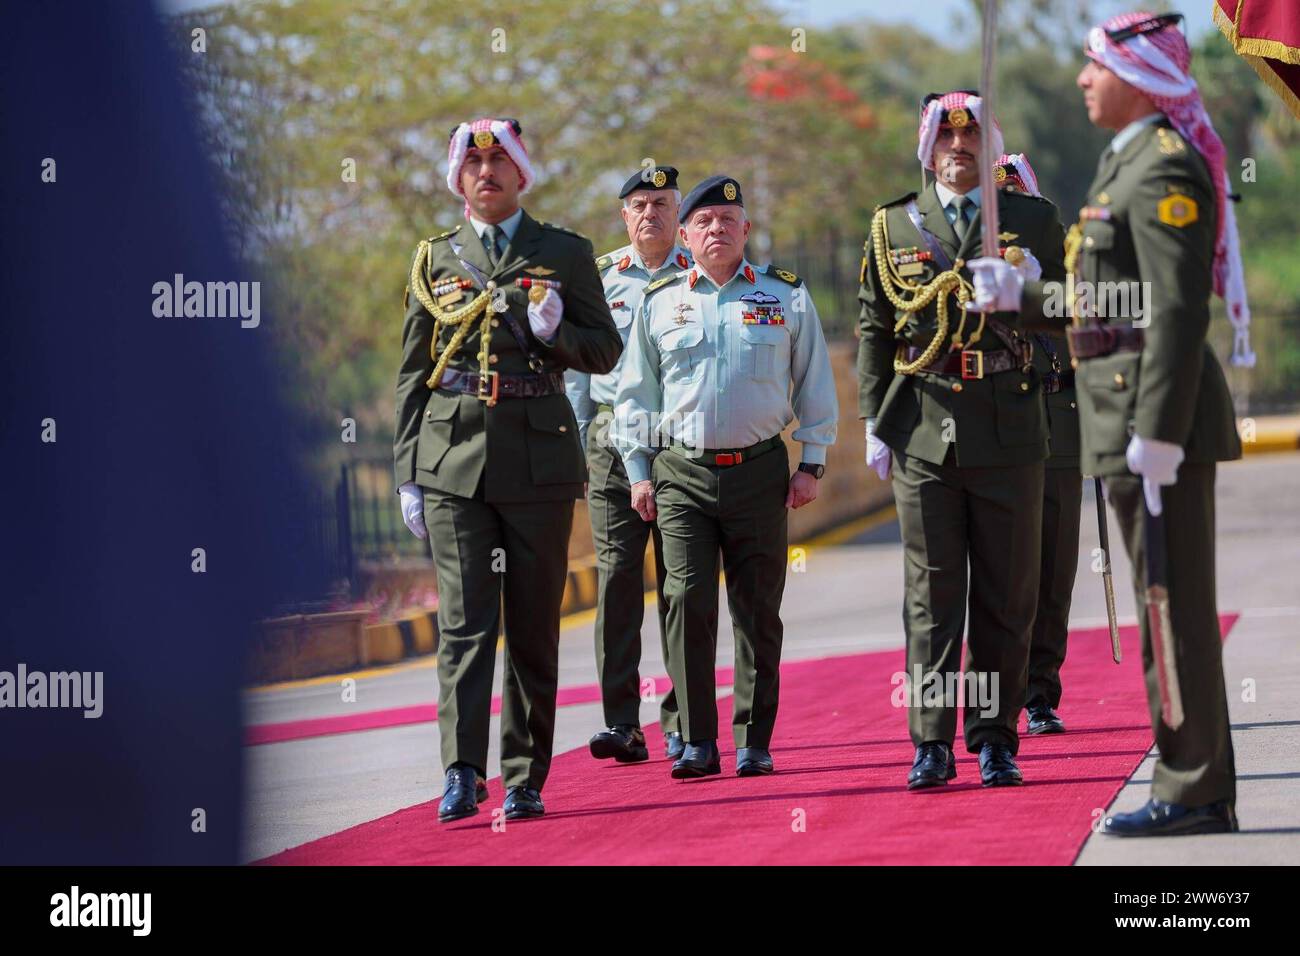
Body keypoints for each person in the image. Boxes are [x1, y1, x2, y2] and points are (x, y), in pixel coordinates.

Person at [966, 10, 1250, 835]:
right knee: (1162, 598)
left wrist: (1157, 430)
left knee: (1171, 606)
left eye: (1094, 67)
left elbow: (1172, 308)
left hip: (1152, 420)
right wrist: (1022, 297)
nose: (1084, 81)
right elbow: (1112, 302)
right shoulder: (1124, 164)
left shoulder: (1161, 167)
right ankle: (1191, 779)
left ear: (1136, 77)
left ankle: (1193, 788)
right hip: (1127, 411)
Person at [393, 117, 622, 822]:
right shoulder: (434, 258)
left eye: (499, 161)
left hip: (538, 458)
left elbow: (605, 351)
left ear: (523, 173)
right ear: (458, 177)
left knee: (530, 625)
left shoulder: (565, 252)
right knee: (464, 626)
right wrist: (408, 471)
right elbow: (412, 373)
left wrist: (558, 333)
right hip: (452, 461)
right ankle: (462, 772)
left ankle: (524, 776)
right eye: (473, 162)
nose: (485, 172)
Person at [857, 90, 1067, 790]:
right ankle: (932, 742)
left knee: (1007, 595)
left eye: (972, 138)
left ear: (988, 147)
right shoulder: (894, 226)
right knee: (933, 594)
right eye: (946, 140)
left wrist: (1030, 291)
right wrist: (871, 422)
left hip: (1010, 423)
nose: (959, 149)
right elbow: (874, 329)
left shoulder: (1032, 219)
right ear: (928, 150)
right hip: (924, 424)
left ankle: (996, 736)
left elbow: (1078, 317)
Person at [614, 175, 838, 778]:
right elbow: (636, 394)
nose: (717, 229)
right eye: (704, 221)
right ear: (686, 234)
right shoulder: (660, 301)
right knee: (686, 601)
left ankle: (753, 737)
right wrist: (638, 471)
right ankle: (696, 739)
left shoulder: (784, 295)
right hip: (681, 473)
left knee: (757, 608)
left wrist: (812, 460)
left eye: (728, 219)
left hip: (759, 471)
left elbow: (814, 380)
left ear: (746, 230)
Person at [565, 165, 693, 763]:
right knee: (617, 578)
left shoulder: (702, 273)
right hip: (612, 437)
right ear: (624, 215)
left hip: (678, 440)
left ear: (677, 211)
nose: (651, 215)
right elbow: (576, 371)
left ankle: (680, 718)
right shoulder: (598, 279)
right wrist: (577, 442)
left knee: (679, 581)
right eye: (639, 204)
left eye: (662, 203)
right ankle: (621, 721)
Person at [994, 151, 1083, 736]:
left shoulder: (1066, 259)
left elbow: (1094, 324)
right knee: (1000, 566)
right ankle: (993, 695)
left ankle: (1040, 692)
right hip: (995, 424)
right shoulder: (963, 261)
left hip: (1060, 419)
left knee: (1054, 564)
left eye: (1023, 204)